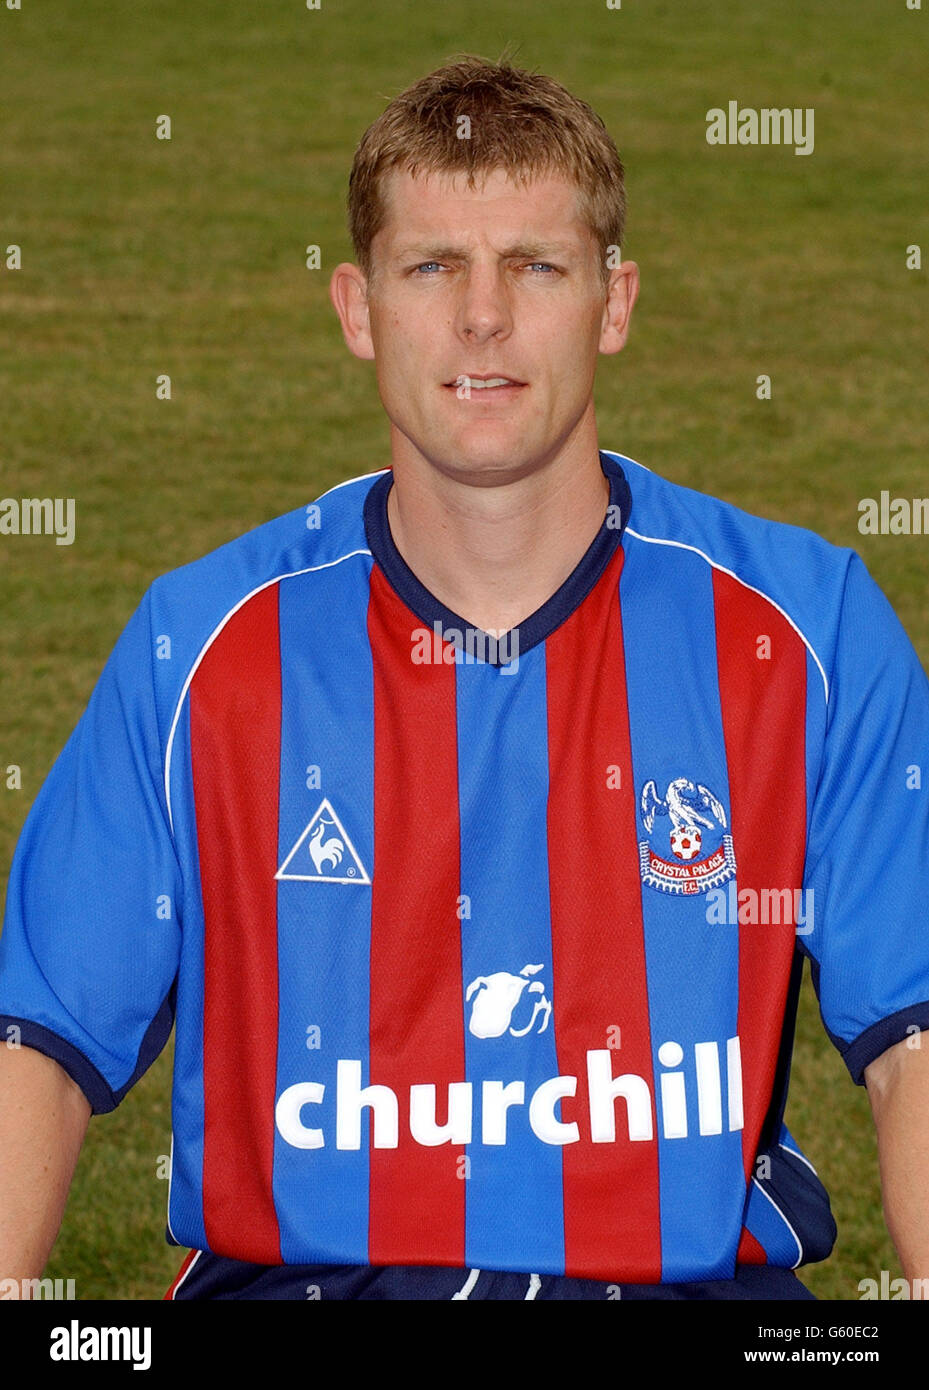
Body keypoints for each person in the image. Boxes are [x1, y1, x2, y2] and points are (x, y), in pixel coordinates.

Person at [1, 56, 928, 1303]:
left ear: (613, 300)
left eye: (534, 266)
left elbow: (913, 1039)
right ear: (355, 305)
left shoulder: (798, 631)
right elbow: (38, 1046)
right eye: (432, 266)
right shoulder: (202, 648)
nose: (481, 318)